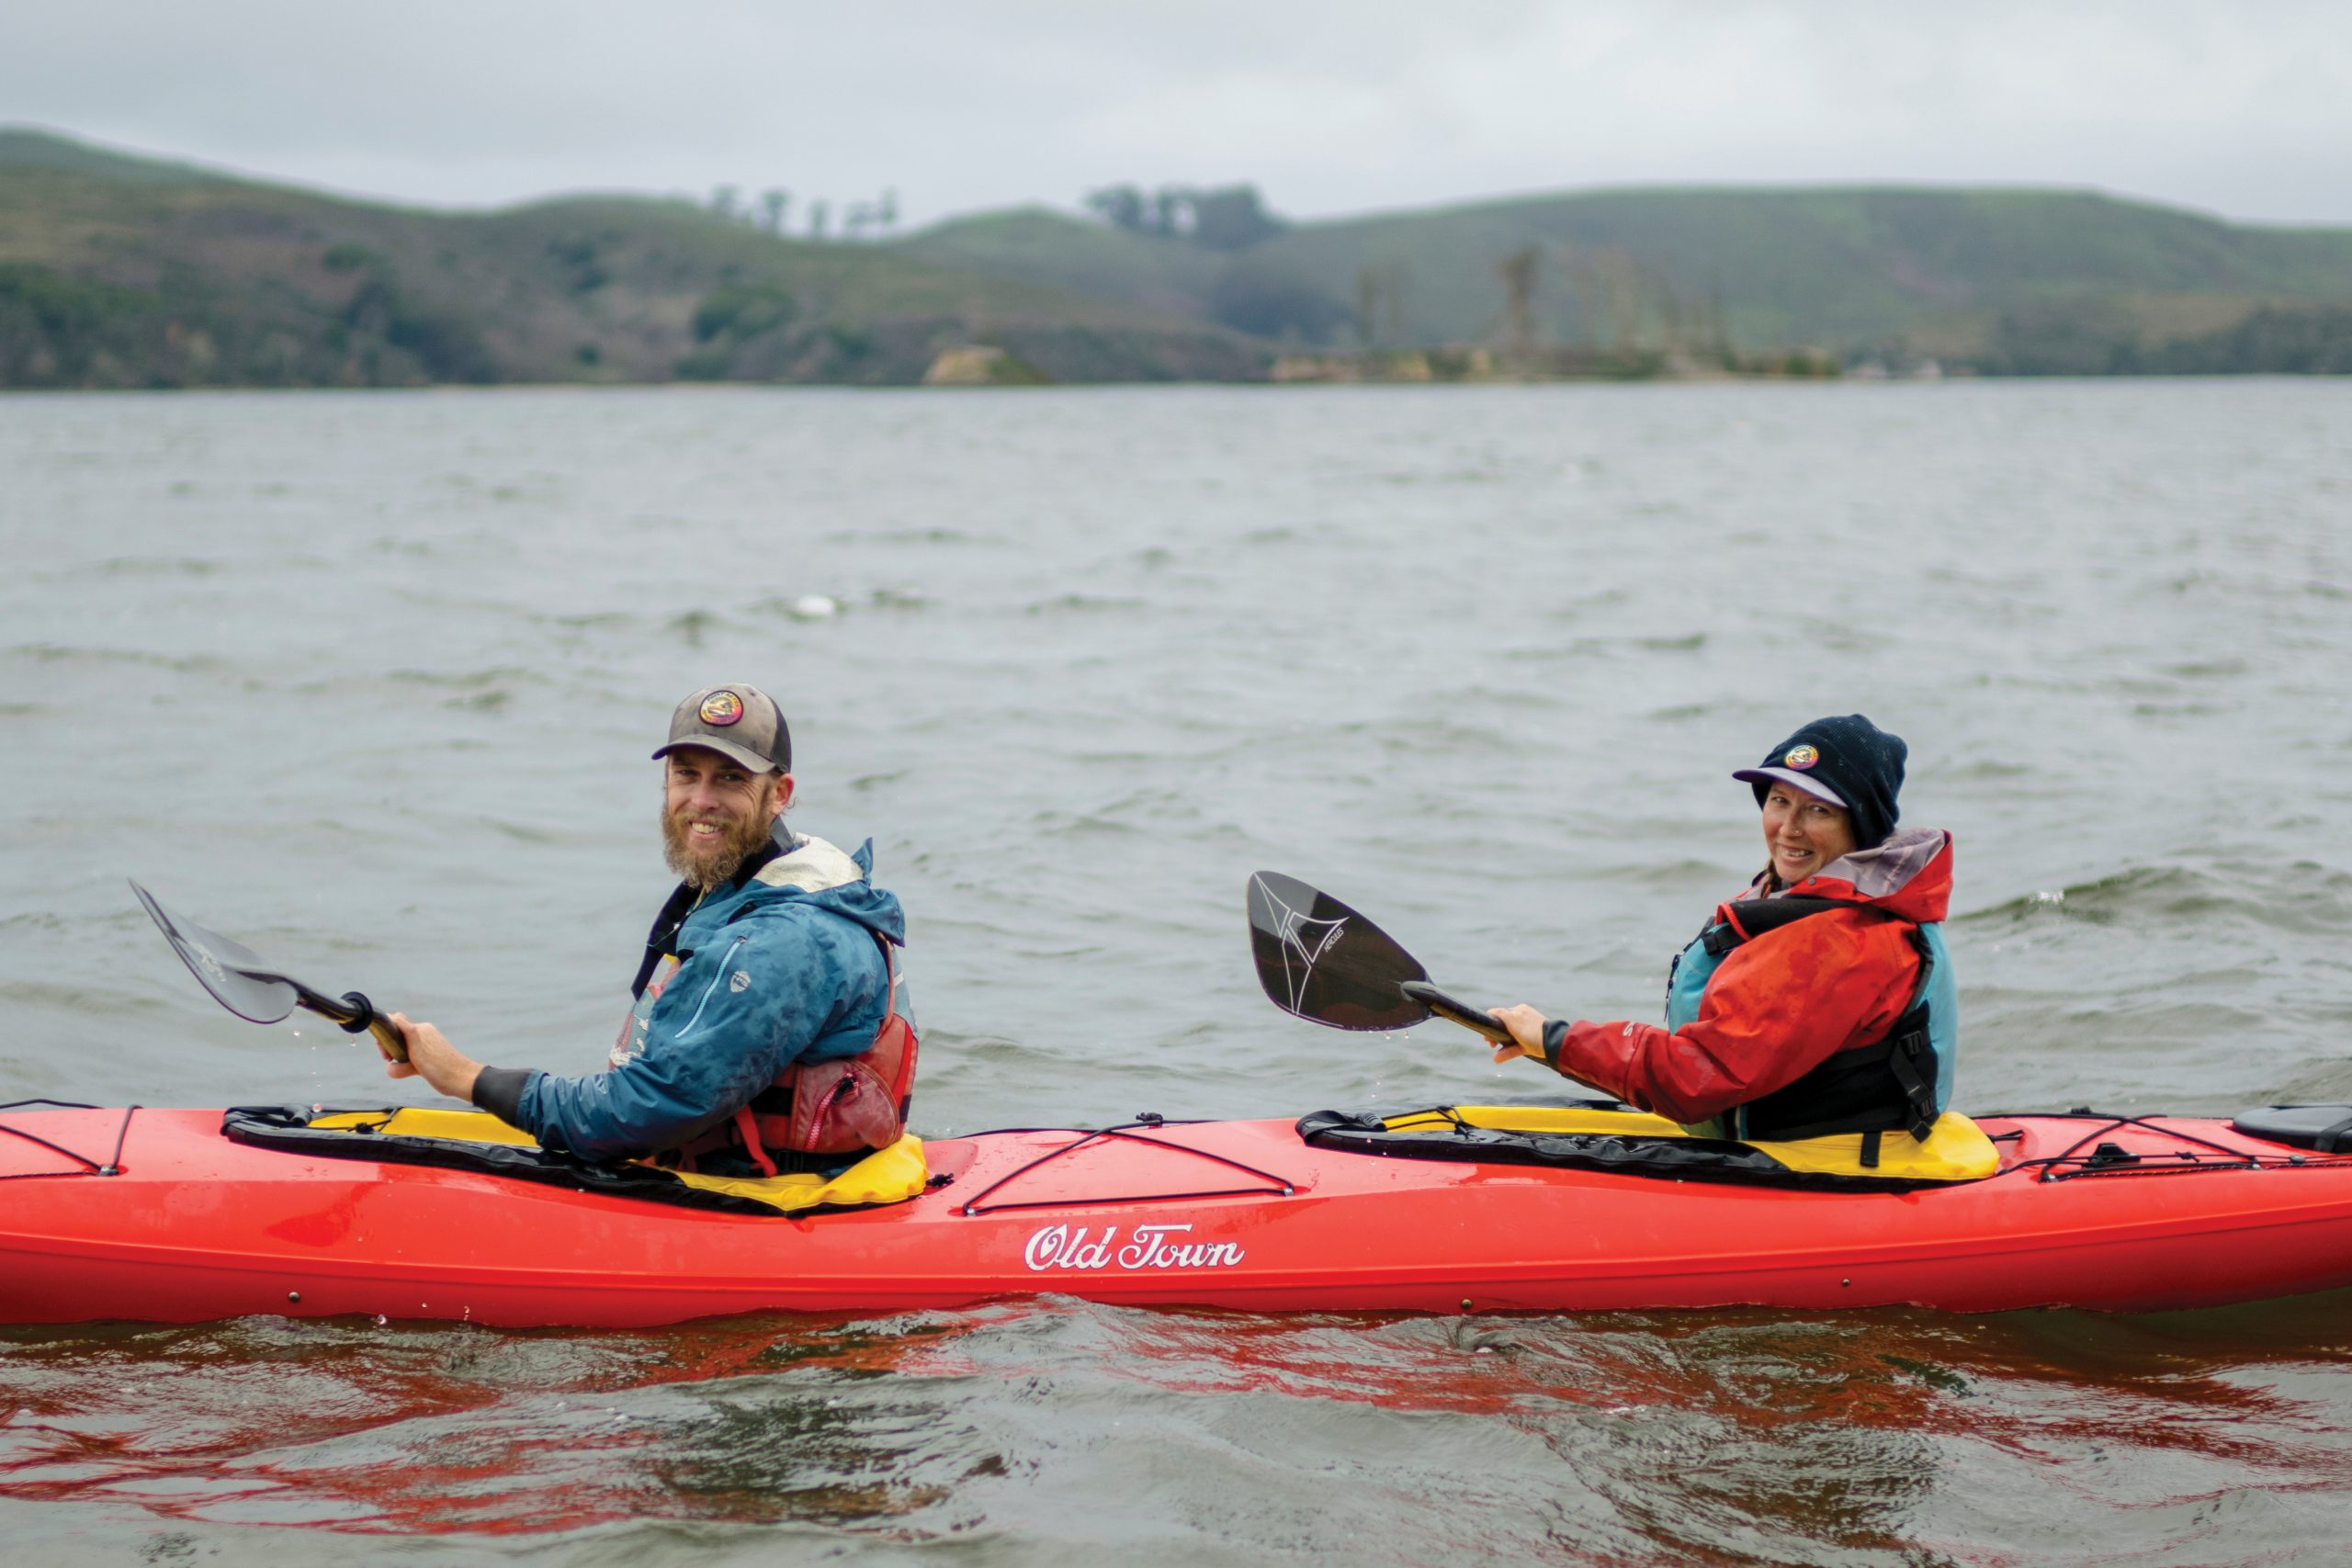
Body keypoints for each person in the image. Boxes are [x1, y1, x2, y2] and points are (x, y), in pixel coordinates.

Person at [388, 683, 915, 1174]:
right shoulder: (755, 879)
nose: (702, 800)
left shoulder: (780, 941)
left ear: (780, 793)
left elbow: (642, 1113)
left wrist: (462, 1077)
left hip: (771, 1205)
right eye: (687, 774)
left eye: (730, 778)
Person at [1488, 714, 1956, 1143]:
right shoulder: (1804, 898)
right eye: (1779, 801)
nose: (1788, 829)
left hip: (1821, 1167)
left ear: (1862, 825)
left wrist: (1555, 1039)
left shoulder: (1841, 938)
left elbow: (1698, 1077)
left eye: (1819, 811)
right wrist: (1549, 1047)